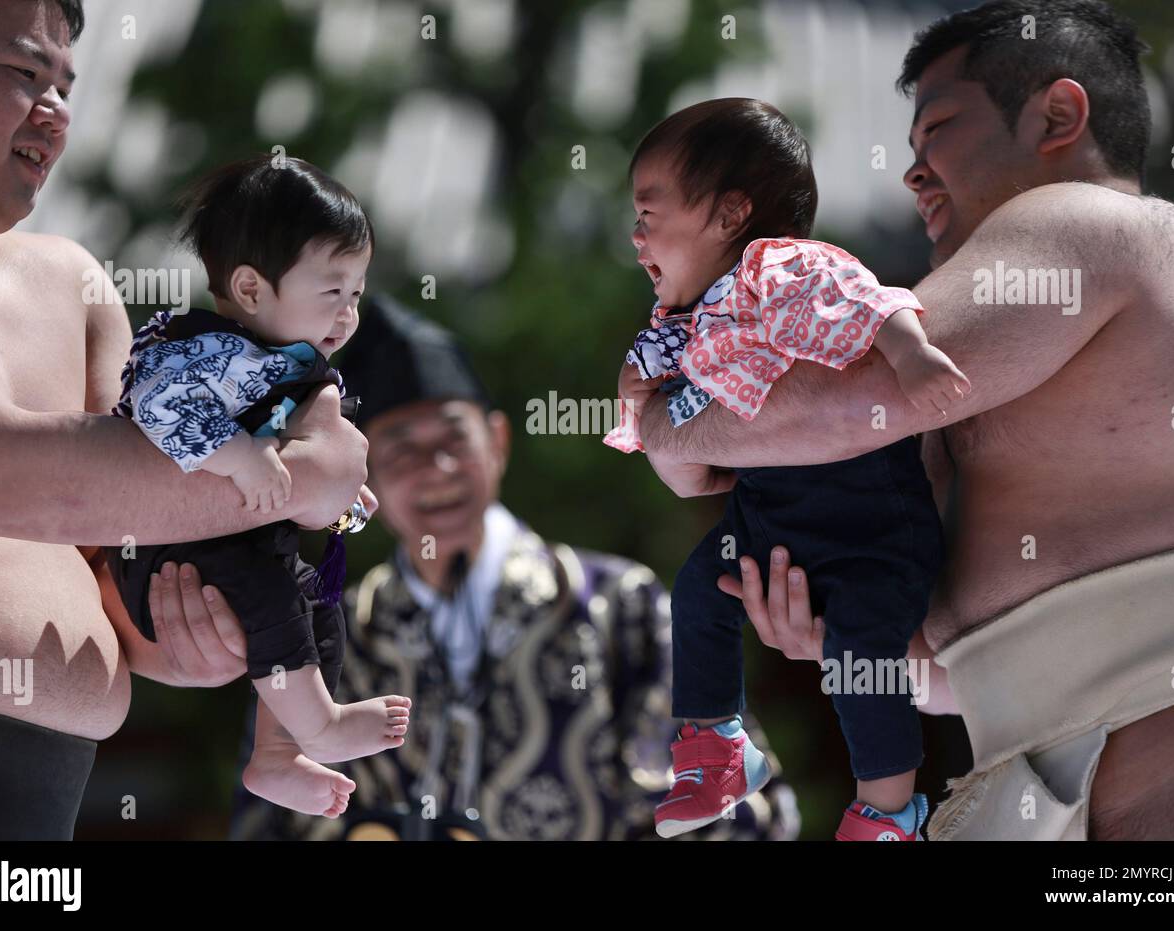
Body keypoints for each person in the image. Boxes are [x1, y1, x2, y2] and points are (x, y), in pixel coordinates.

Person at [633, 0, 1174, 840]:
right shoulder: (1003, 364)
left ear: (1057, 115)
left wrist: (658, 420)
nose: (913, 176)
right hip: (1041, 781)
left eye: (939, 131)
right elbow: (966, 666)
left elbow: (849, 397)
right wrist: (854, 645)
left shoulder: (1095, 223)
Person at [0, 0, 367, 840]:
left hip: (44, 798)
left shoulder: (75, 287)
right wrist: (303, 475)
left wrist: (182, 641)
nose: (55, 109)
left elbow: (114, 555)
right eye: (24, 72)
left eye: (65, 83)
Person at [230, 296, 801, 841]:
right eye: (402, 449)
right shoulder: (329, 634)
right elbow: (269, 819)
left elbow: (735, 809)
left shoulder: (621, 605)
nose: (438, 469)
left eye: (455, 437)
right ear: (362, 472)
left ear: (497, 442)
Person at [607, 98, 969, 840]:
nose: (635, 234)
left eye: (649, 212)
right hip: (766, 512)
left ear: (731, 214)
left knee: (859, 654)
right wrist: (638, 405)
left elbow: (869, 301)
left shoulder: (780, 267)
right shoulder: (678, 325)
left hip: (868, 519)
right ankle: (716, 749)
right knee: (698, 595)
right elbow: (692, 474)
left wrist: (914, 356)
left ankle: (889, 807)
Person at [104, 157, 410, 820]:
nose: (349, 312)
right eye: (333, 290)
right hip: (165, 549)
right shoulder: (199, 348)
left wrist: (344, 501)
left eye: (357, 293)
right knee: (276, 590)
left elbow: (310, 470)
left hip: (238, 547)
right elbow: (158, 402)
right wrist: (241, 457)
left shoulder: (287, 364)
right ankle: (318, 725)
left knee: (320, 602)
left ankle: (279, 750)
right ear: (248, 286)